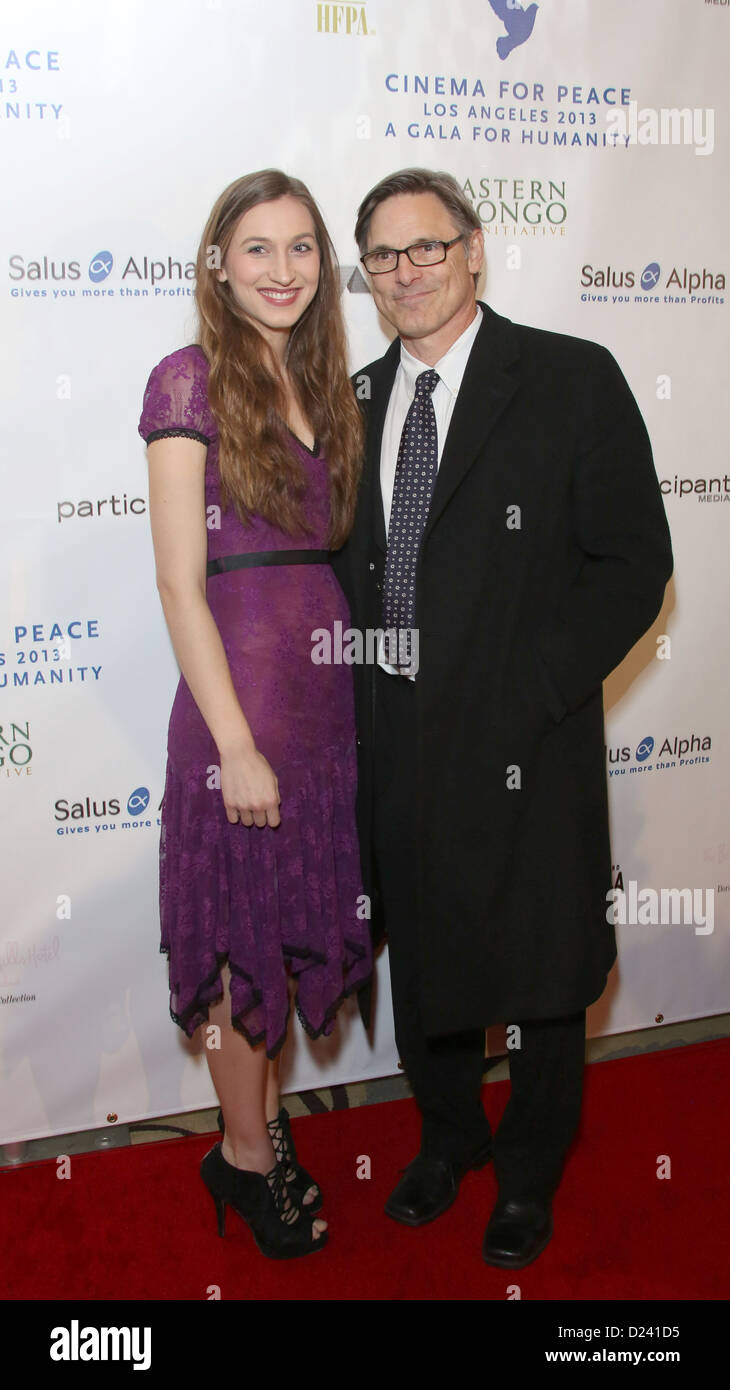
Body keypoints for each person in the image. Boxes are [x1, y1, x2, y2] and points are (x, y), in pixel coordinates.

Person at [332, 167, 673, 1268]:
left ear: (474, 248)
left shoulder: (570, 378)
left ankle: (527, 1174)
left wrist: (530, 690)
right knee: (425, 960)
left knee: (537, 968)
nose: (406, 273)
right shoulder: (355, 401)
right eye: (383, 256)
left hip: (527, 745)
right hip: (398, 745)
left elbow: (632, 564)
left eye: (426, 247)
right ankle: (446, 1142)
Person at [138, 169, 371, 1259]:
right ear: (218, 265)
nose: (282, 269)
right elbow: (182, 583)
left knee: (277, 950)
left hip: (324, 715)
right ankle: (243, 1154)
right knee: (240, 955)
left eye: (303, 247)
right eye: (258, 248)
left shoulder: (328, 386)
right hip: (243, 717)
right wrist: (233, 743)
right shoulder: (186, 381)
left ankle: (256, 1128)